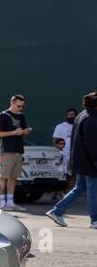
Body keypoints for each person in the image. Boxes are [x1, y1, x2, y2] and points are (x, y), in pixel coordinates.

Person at [46, 92, 97, 228]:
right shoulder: (92, 119)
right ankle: (94, 220)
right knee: (93, 190)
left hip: (80, 161)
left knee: (79, 188)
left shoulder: (81, 115)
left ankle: (56, 211)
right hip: (89, 163)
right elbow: (92, 145)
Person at [0, 94, 30, 210]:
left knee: (14, 177)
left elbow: (21, 131)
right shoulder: (2, 116)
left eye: (22, 106)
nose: (20, 108)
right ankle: (2, 203)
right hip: (7, 150)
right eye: (18, 106)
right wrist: (14, 133)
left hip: (19, 150)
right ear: (11, 103)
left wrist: (24, 132)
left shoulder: (21, 116)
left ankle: (10, 202)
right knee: (4, 176)